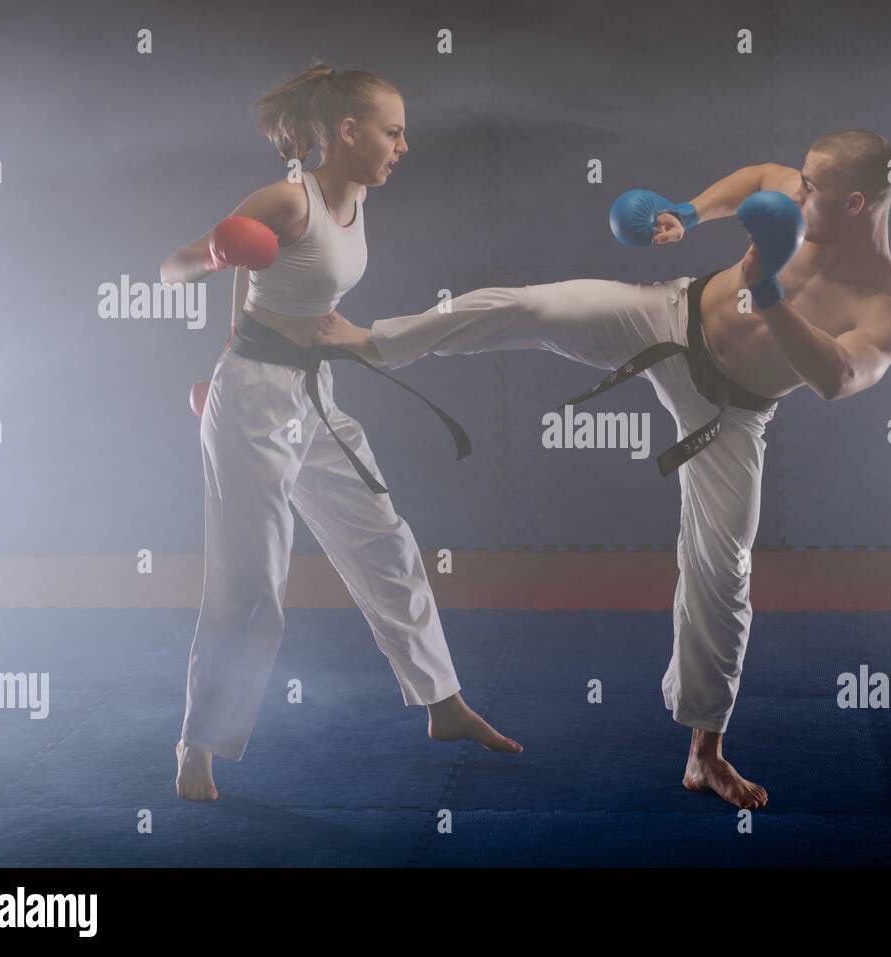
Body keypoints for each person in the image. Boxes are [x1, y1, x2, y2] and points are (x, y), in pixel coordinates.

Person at [316, 131, 891, 810]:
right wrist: (687, 213)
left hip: (731, 413)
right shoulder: (795, 194)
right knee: (529, 305)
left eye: (813, 189)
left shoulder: (886, 308)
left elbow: (836, 377)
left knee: (722, 575)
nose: (796, 190)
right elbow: (757, 175)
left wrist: (769, 292)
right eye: (802, 179)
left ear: (857, 202)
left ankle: (705, 754)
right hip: (669, 316)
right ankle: (374, 342)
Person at [161, 62, 521, 802]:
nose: (403, 146)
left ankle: (442, 703)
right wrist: (216, 254)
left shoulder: (355, 202)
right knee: (253, 580)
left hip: (312, 393)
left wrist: (245, 336)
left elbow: (276, 292)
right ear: (349, 133)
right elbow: (173, 269)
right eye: (393, 132)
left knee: (383, 537)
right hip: (255, 401)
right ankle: (198, 743)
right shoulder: (289, 202)